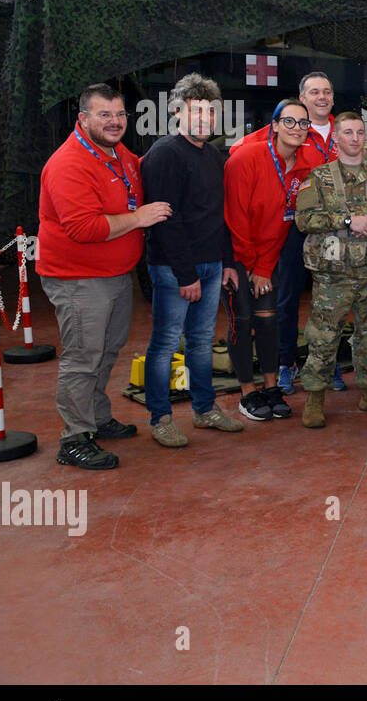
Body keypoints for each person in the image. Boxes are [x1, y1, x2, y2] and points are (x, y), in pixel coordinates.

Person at [37, 84, 171, 469]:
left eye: (119, 114)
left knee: (107, 350)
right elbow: (84, 229)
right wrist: (139, 218)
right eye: (104, 115)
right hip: (79, 279)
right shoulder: (69, 164)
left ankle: (95, 417)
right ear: (83, 119)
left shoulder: (117, 153)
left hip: (114, 274)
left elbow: (145, 169)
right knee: (83, 357)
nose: (115, 122)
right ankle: (74, 438)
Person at [140, 73, 243, 447]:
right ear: (176, 113)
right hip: (174, 268)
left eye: (209, 111)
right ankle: (160, 418)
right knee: (166, 343)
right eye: (194, 110)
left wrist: (227, 261)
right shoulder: (164, 154)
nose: (203, 118)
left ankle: (205, 410)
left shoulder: (213, 155)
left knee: (201, 342)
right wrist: (186, 276)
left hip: (212, 265)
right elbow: (166, 221)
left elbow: (219, 214)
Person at [295, 112, 367, 428]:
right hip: (334, 276)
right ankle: (315, 397)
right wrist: (348, 221)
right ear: (336, 138)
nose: (355, 138)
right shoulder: (319, 178)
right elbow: (304, 220)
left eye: (360, 132)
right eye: (348, 132)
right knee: (323, 337)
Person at [222, 98, 314, 422]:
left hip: (267, 258)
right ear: (273, 125)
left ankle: (271, 387)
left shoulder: (304, 166)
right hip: (235, 254)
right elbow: (236, 218)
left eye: (303, 123)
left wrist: (263, 267)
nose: (297, 129)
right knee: (243, 319)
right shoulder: (246, 158)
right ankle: (247, 393)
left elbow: (283, 222)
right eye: (289, 121)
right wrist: (250, 266)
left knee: (268, 319)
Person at [271, 72, 341, 396]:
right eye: (314, 92)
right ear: (303, 98)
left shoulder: (346, 130)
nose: (321, 97)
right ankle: (286, 362)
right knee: (287, 298)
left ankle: (328, 361)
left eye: (326, 91)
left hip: (336, 231)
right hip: (296, 229)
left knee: (333, 299)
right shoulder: (292, 129)